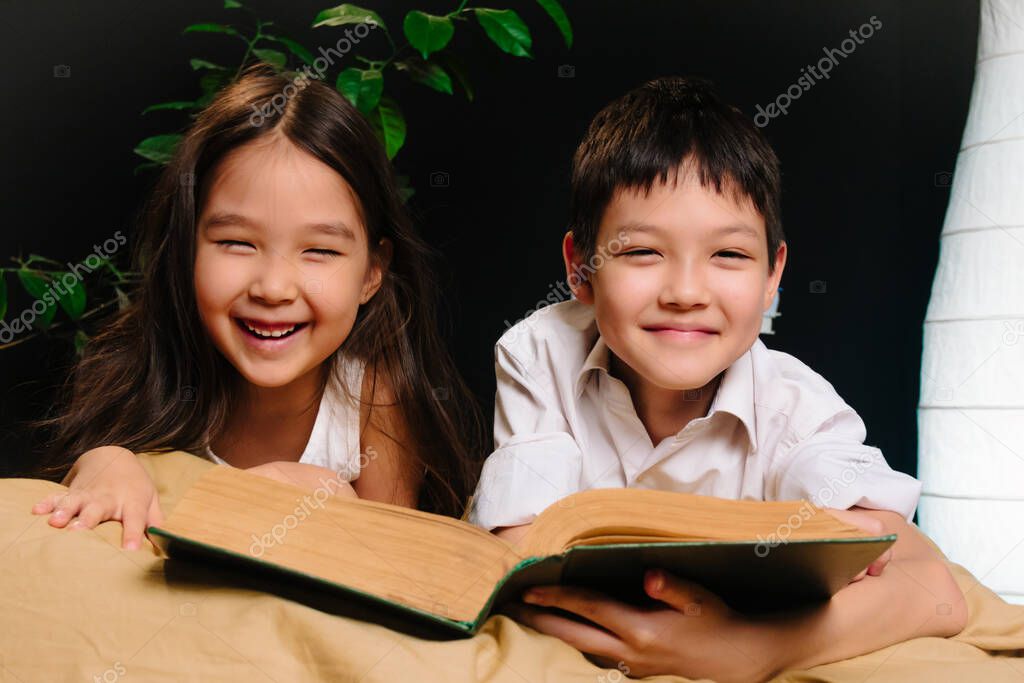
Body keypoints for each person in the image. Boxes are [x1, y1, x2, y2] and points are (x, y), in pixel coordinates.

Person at [469, 76, 966, 681]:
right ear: (581, 268)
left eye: (728, 255)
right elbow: (520, 549)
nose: (685, 293)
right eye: (641, 252)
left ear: (771, 276)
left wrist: (752, 650)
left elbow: (930, 581)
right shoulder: (539, 352)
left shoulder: (794, 405)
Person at [31, 64, 484, 550]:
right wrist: (103, 462)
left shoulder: (374, 401)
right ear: (186, 249)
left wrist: (330, 497)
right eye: (236, 242)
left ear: (372, 272)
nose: (273, 288)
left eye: (321, 251)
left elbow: (395, 562)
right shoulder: (140, 374)